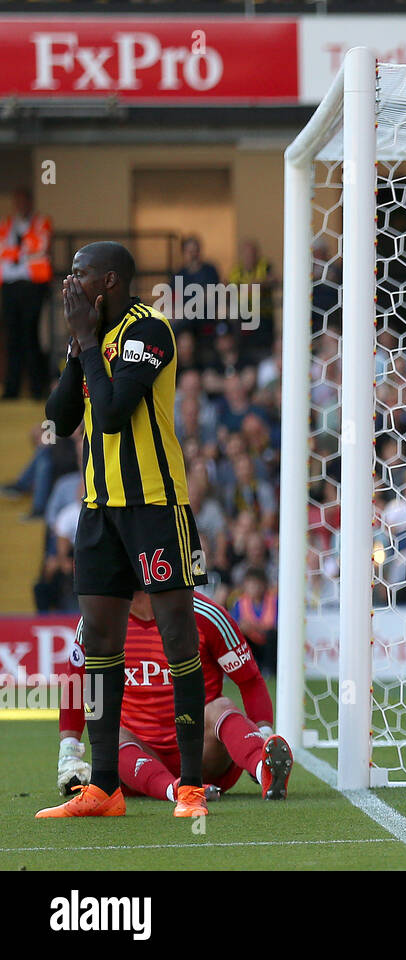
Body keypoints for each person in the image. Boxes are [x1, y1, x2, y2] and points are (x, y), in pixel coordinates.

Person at [35, 241, 210, 821]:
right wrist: (76, 349)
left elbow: (110, 414)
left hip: (154, 504)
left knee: (177, 639)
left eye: (79, 273)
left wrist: (86, 344)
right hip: (98, 509)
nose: (70, 281)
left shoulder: (149, 331)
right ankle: (104, 789)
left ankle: (189, 787)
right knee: (101, 645)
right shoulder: (87, 339)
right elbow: (61, 421)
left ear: (108, 281)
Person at [47, 591, 292, 806]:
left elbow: (249, 680)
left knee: (221, 707)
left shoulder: (206, 615)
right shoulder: (97, 620)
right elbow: (76, 686)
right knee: (110, 733)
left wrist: (264, 735)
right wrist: (68, 757)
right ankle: (176, 791)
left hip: (204, 755)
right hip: (139, 758)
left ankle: (265, 768)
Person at [1, 186, 53, 397]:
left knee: (31, 335)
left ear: (30, 202)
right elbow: (4, 248)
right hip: (10, 286)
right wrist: (21, 249)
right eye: (17, 201)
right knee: (12, 336)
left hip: (33, 285)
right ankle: (11, 389)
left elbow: (40, 246)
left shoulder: (42, 222)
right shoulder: (7, 224)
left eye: (24, 200)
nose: (21, 205)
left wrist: (19, 249)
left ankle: (36, 388)